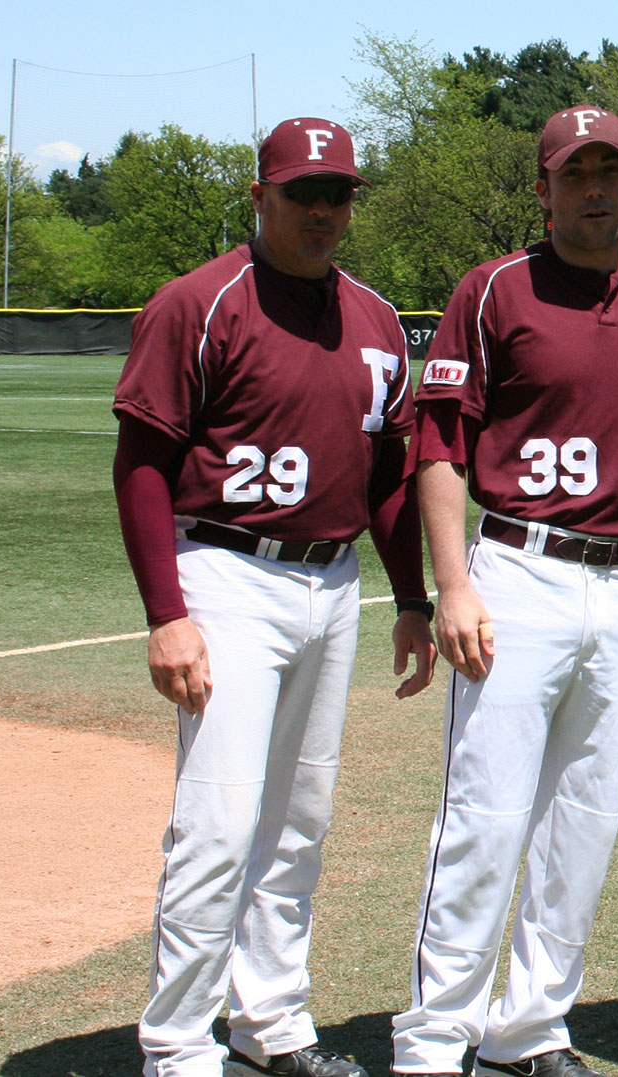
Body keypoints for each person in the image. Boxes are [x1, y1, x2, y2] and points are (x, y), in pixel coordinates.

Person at [113, 116, 434, 1077]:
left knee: (299, 820)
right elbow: (141, 464)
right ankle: (177, 1044)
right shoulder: (199, 303)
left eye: (339, 194)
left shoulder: (375, 320)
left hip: (333, 583)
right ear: (262, 196)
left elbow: (387, 473)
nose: (325, 211)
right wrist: (166, 612)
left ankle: (272, 1027)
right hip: (224, 573)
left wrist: (409, 594)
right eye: (305, 192)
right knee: (217, 819)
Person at [384, 106, 618, 1077]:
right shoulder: (493, 290)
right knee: (482, 817)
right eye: (575, 173)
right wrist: (452, 584)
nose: (594, 189)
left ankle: (529, 1031)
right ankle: (436, 1042)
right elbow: (437, 440)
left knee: (583, 825)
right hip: (514, 572)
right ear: (544, 188)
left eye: (611, 172)